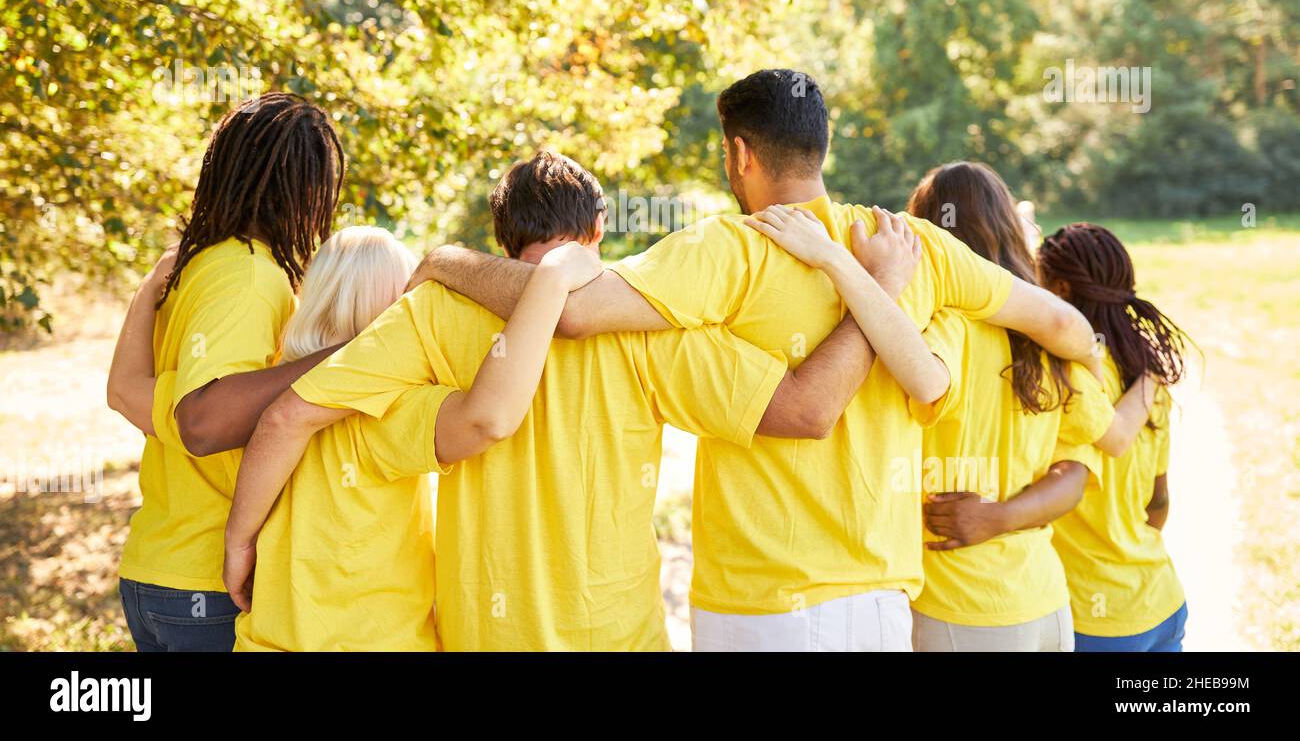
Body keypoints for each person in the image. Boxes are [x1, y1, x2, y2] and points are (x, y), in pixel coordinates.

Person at [405, 70, 1100, 651]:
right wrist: (1099, 359)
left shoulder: (725, 250)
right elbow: (1060, 322)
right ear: (822, 146)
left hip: (758, 603)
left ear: (739, 154)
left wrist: (444, 262)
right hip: (880, 597)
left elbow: (573, 309)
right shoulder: (915, 246)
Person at [224, 150, 932, 650]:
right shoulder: (646, 328)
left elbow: (295, 414)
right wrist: (873, 295)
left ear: (502, 237)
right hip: (616, 634)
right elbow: (808, 410)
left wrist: (243, 543)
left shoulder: (432, 315)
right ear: (597, 231)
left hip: (483, 634)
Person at [106, 93, 347, 652]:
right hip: (209, 586)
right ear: (303, 188)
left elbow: (125, 393)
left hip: (160, 571)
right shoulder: (246, 274)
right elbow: (205, 422)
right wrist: (352, 353)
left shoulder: (197, 265)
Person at [897, 162, 1154, 651]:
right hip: (1044, 604)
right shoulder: (1053, 339)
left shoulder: (939, 328)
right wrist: (1002, 516)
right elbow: (1076, 474)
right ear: (1010, 232)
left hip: (958, 605)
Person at [1039, 223, 1194, 652]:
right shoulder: (1146, 375)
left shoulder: (1063, 375)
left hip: (1092, 617)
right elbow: (1158, 503)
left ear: (1061, 288)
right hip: (1160, 599)